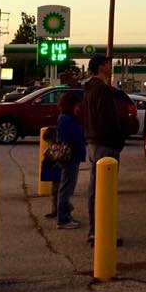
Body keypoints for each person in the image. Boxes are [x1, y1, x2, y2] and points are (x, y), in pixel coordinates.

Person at [83, 54, 126, 246]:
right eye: (108, 63)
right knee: (106, 192)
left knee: (95, 190)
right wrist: (119, 141)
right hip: (106, 144)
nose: (111, 66)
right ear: (101, 67)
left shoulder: (89, 89)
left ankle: (95, 231)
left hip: (93, 142)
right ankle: (104, 233)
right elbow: (108, 119)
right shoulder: (102, 89)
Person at [55, 91, 86, 228]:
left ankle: (65, 213)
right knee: (67, 187)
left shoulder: (68, 118)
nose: (78, 108)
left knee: (67, 186)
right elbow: (68, 137)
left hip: (72, 156)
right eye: (77, 105)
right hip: (70, 157)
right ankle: (63, 218)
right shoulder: (67, 119)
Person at [41, 126, 61, 220]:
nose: (48, 143)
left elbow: (56, 157)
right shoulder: (53, 146)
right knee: (55, 192)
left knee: (57, 192)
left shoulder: (56, 147)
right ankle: (55, 210)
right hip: (55, 171)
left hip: (57, 171)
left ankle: (60, 210)